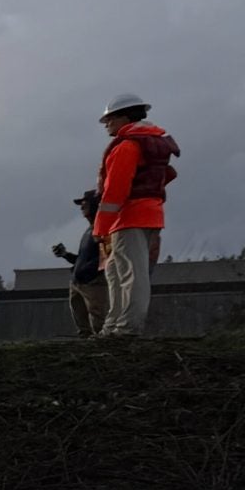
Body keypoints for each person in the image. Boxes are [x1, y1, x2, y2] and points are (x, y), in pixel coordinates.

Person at [94, 93, 180, 338]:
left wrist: (100, 227)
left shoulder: (127, 146)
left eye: (110, 119)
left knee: (130, 274)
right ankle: (115, 325)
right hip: (148, 215)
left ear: (125, 117)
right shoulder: (150, 143)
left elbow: (115, 190)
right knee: (120, 272)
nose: (106, 124)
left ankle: (126, 327)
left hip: (128, 218)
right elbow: (165, 176)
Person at [50, 194, 109, 338]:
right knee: (83, 325)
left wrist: (90, 273)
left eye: (86, 203)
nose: (82, 207)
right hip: (79, 283)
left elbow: (107, 257)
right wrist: (65, 254)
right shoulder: (89, 230)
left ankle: (102, 345)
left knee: (99, 321)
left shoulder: (104, 229)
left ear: (96, 205)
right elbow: (82, 260)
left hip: (94, 283)